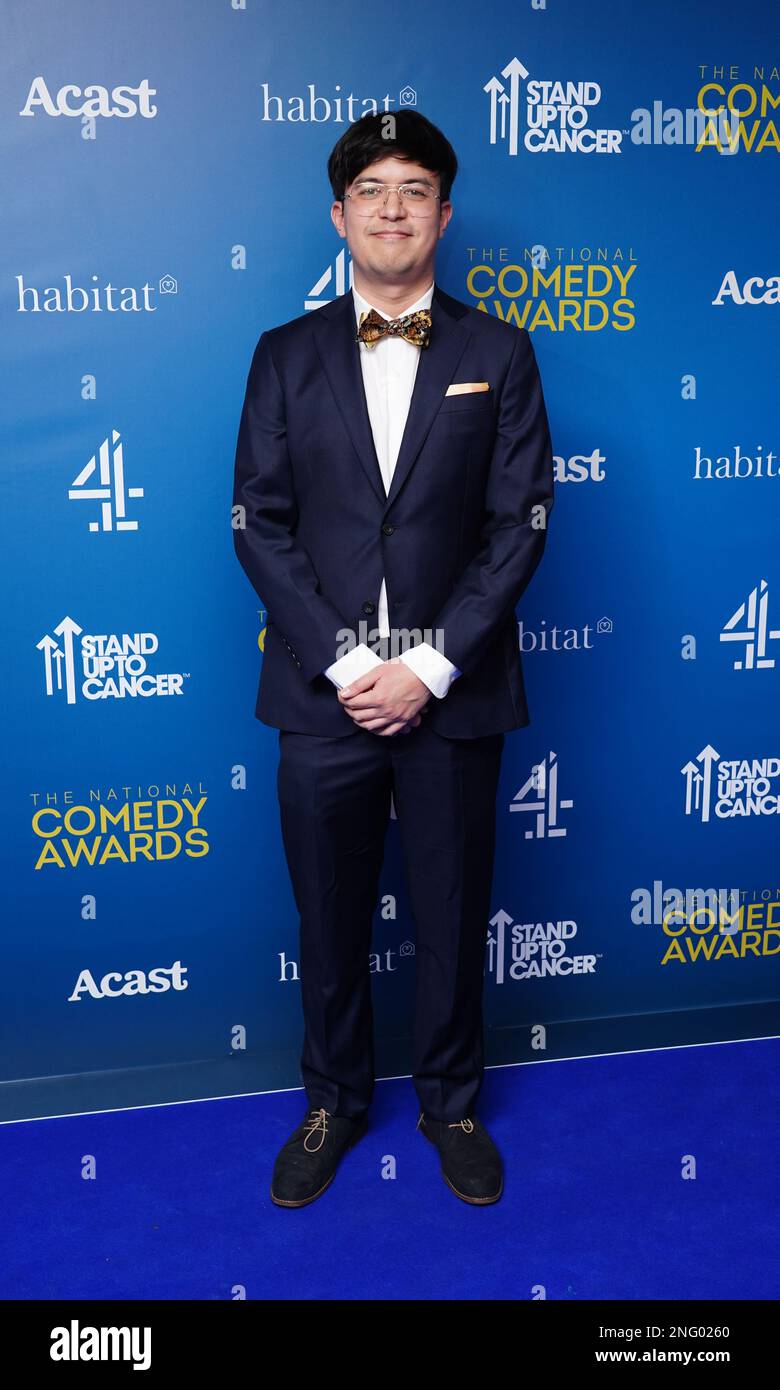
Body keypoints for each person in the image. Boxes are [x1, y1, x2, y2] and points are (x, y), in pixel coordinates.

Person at [232, 109, 554, 1207]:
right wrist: (342, 661)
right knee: (327, 915)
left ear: (445, 214)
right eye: (372, 190)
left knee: (452, 908)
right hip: (323, 697)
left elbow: (520, 526)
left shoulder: (500, 353)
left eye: (415, 188)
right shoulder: (282, 355)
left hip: (452, 695)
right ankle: (333, 1099)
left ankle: (452, 1103)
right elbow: (257, 524)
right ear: (340, 215)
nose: (393, 208)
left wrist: (428, 668)